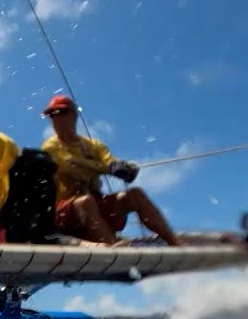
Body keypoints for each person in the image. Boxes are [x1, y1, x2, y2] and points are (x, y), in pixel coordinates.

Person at [39, 95, 181, 246]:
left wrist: (123, 167)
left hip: (96, 206)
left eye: (61, 112)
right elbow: (74, 166)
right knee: (86, 202)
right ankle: (115, 250)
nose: (56, 118)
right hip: (65, 215)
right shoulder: (50, 148)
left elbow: (109, 159)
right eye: (52, 114)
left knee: (135, 194)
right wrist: (109, 168)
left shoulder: (94, 145)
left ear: (74, 114)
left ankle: (175, 243)